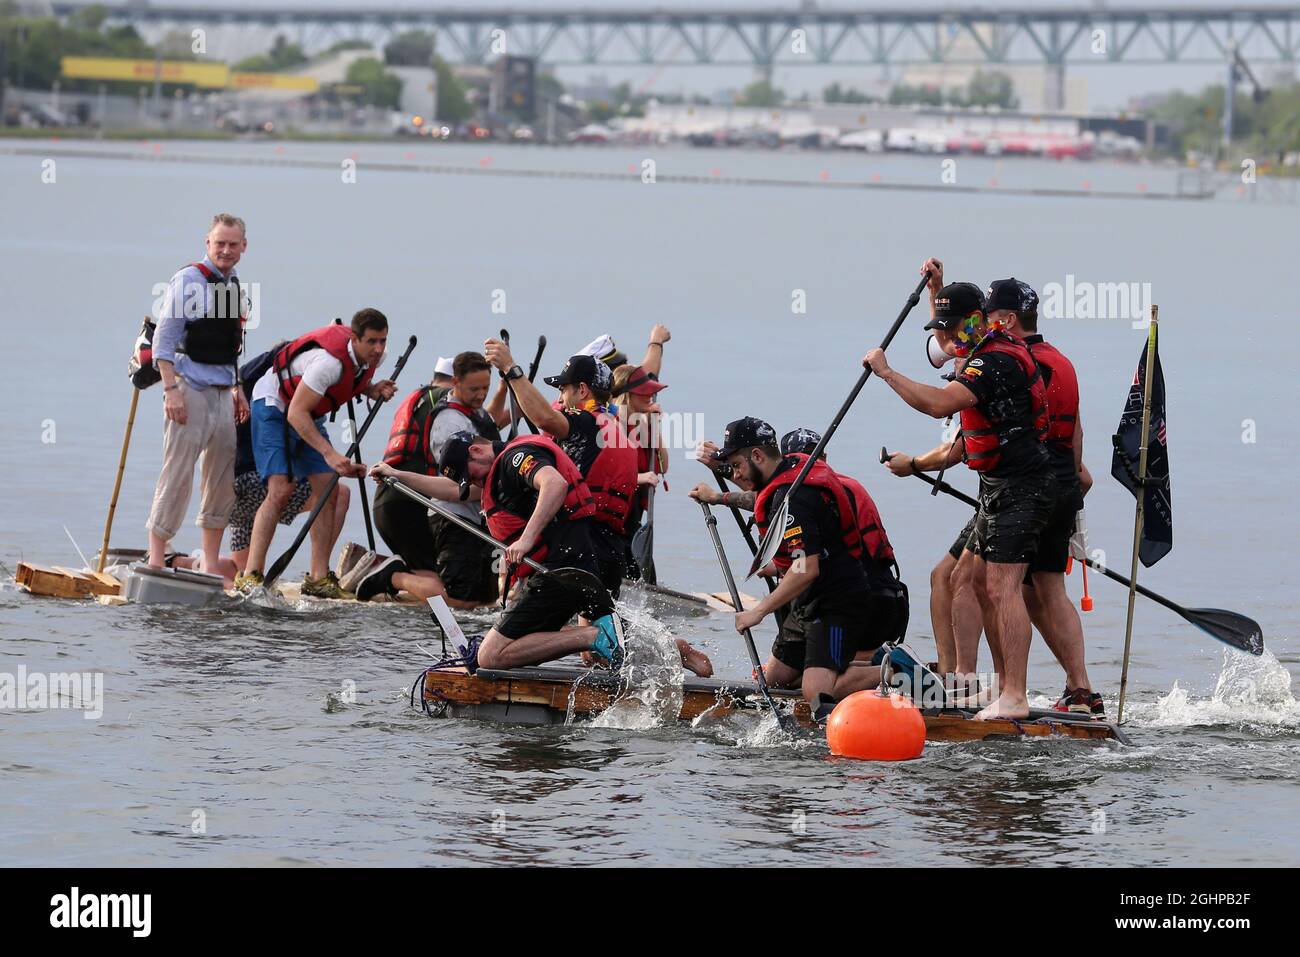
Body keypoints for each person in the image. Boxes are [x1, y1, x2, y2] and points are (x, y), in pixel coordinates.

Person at [869, 279, 1053, 720]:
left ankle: (1016, 695)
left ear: (980, 321)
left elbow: (938, 405)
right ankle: (972, 684)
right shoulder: (975, 346)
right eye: (941, 328)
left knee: (1002, 587)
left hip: (1023, 487)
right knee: (961, 577)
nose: (946, 339)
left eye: (952, 328)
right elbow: (950, 334)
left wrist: (887, 372)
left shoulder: (996, 362)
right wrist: (936, 287)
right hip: (996, 487)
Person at [370, 431, 625, 670]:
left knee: (491, 655)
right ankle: (609, 638)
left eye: (471, 476)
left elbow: (554, 484)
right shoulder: (493, 471)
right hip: (576, 565)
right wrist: (398, 475)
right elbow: (449, 491)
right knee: (590, 657)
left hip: (560, 570)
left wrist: (525, 540)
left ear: (477, 450)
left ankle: (597, 634)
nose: (474, 484)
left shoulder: (515, 458)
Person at [692, 427, 907, 699]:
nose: (735, 473)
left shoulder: (799, 495)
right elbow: (766, 501)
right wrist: (720, 480)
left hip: (842, 599)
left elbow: (806, 567)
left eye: (737, 466)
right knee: (773, 682)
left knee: (816, 692)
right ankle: (830, 677)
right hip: (809, 599)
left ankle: (896, 669)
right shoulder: (793, 480)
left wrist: (758, 611)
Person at [984, 277, 1102, 715]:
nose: (985, 330)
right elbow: (1077, 433)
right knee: (1048, 589)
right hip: (1064, 483)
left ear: (1008, 320)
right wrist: (1071, 488)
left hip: (1027, 484)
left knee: (984, 582)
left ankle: (1002, 690)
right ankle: (1081, 689)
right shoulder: (1062, 361)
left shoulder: (1016, 363)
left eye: (991, 320)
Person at [234, 309, 396, 596]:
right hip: (274, 405)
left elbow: (347, 383)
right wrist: (331, 455)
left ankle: (318, 578)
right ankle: (251, 575)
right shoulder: (328, 364)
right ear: (355, 339)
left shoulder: (372, 357)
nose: (379, 349)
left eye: (383, 341)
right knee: (281, 489)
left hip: (306, 410)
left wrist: (370, 389)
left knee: (329, 490)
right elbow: (296, 413)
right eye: (372, 341)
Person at [481, 346, 637, 599]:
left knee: (533, 627)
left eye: (563, 389)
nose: (561, 399)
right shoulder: (618, 429)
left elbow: (544, 418)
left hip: (578, 545)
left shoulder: (586, 423)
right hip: (612, 549)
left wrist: (511, 370)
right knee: (598, 630)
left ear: (582, 390)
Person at [144, 213, 249, 578]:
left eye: (232, 244)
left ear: (243, 247)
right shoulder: (189, 280)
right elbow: (164, 341)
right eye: (219, 243)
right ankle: (157, 558)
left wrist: (237, 388)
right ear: (207, 244)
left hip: (223, 393)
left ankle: (208, 564)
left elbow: (232, 346)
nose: (225, 250)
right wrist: (171, 391)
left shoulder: (234, 285)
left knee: (221, 480)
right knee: (178, 473)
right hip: (189, 388)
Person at [367, 351, 510, 606]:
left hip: (479, 518)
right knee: (459, 601)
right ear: (455, 382)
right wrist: (504, 487)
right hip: (453, 518)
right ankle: (392, 577)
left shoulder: (477, 412)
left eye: (485, 388)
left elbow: (492, 426)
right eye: (474, 389)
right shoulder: (449, 423)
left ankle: (398, 595)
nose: (480, 395)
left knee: (485, 600)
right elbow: (457, 486)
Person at [611, 363, 669, 579]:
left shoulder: (642, 423)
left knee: (645, 578)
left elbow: (663, 465)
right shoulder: (612, 423)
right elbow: (606, 475)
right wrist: (639, 477)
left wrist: (655, 427)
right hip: (613, 521)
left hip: (633, 519)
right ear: (627, 394)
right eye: (644, 392)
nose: (650, 397)